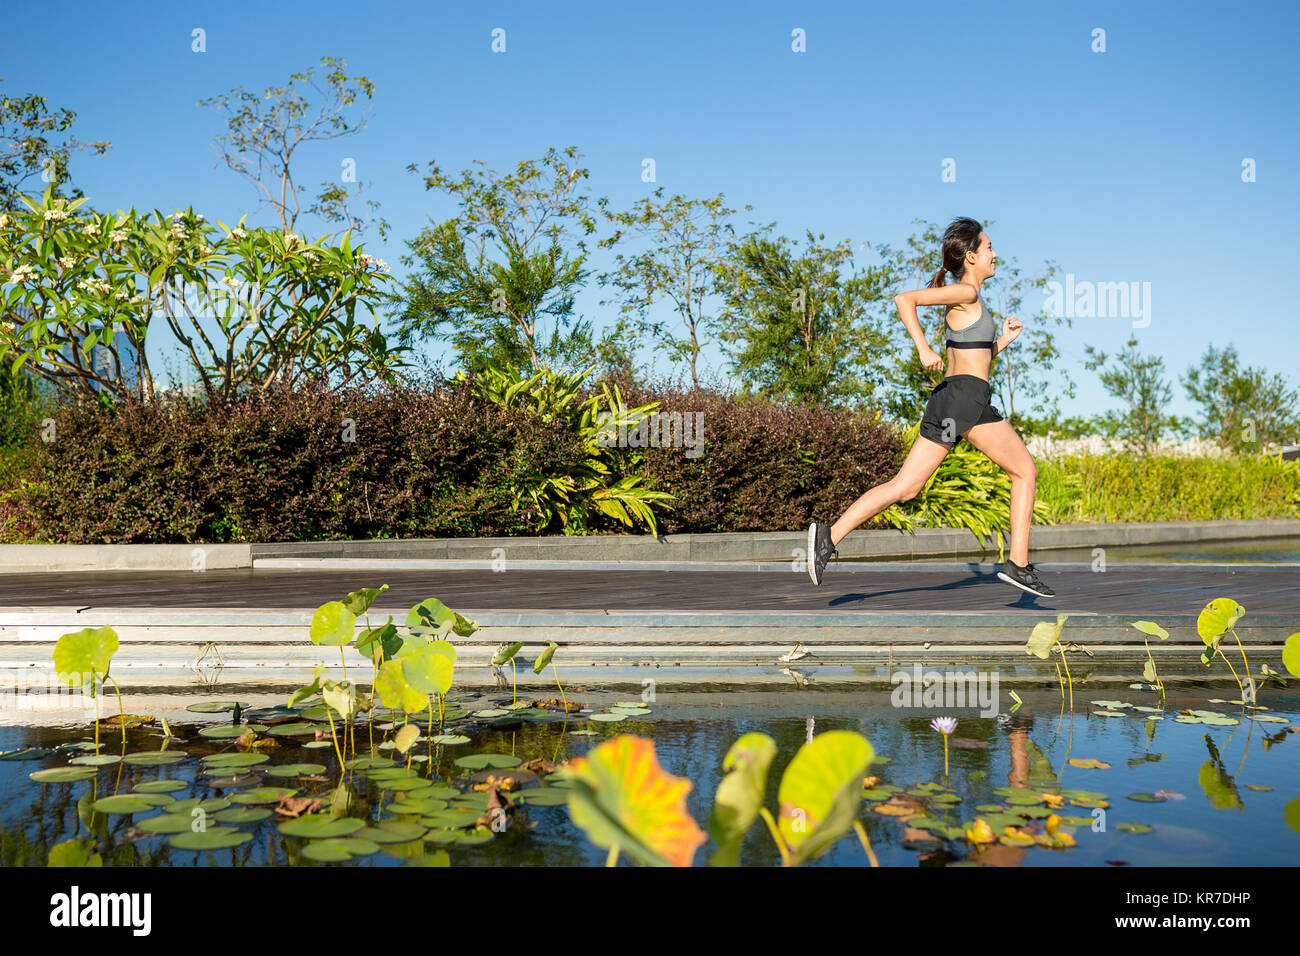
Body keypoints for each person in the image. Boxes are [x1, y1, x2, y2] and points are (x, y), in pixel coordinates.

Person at [807, 217, 1054, 598]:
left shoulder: (968, 299)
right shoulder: (966, 293)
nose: (995, 254)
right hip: (967, 399)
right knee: (1025, 472)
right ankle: (1018, 565)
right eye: (989, 248)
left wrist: (1003, 340)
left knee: (906, 486)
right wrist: (923, 347)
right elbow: (904, 300)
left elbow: (973, 357)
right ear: (971, 257)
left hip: (951, 399)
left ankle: (829, 536)